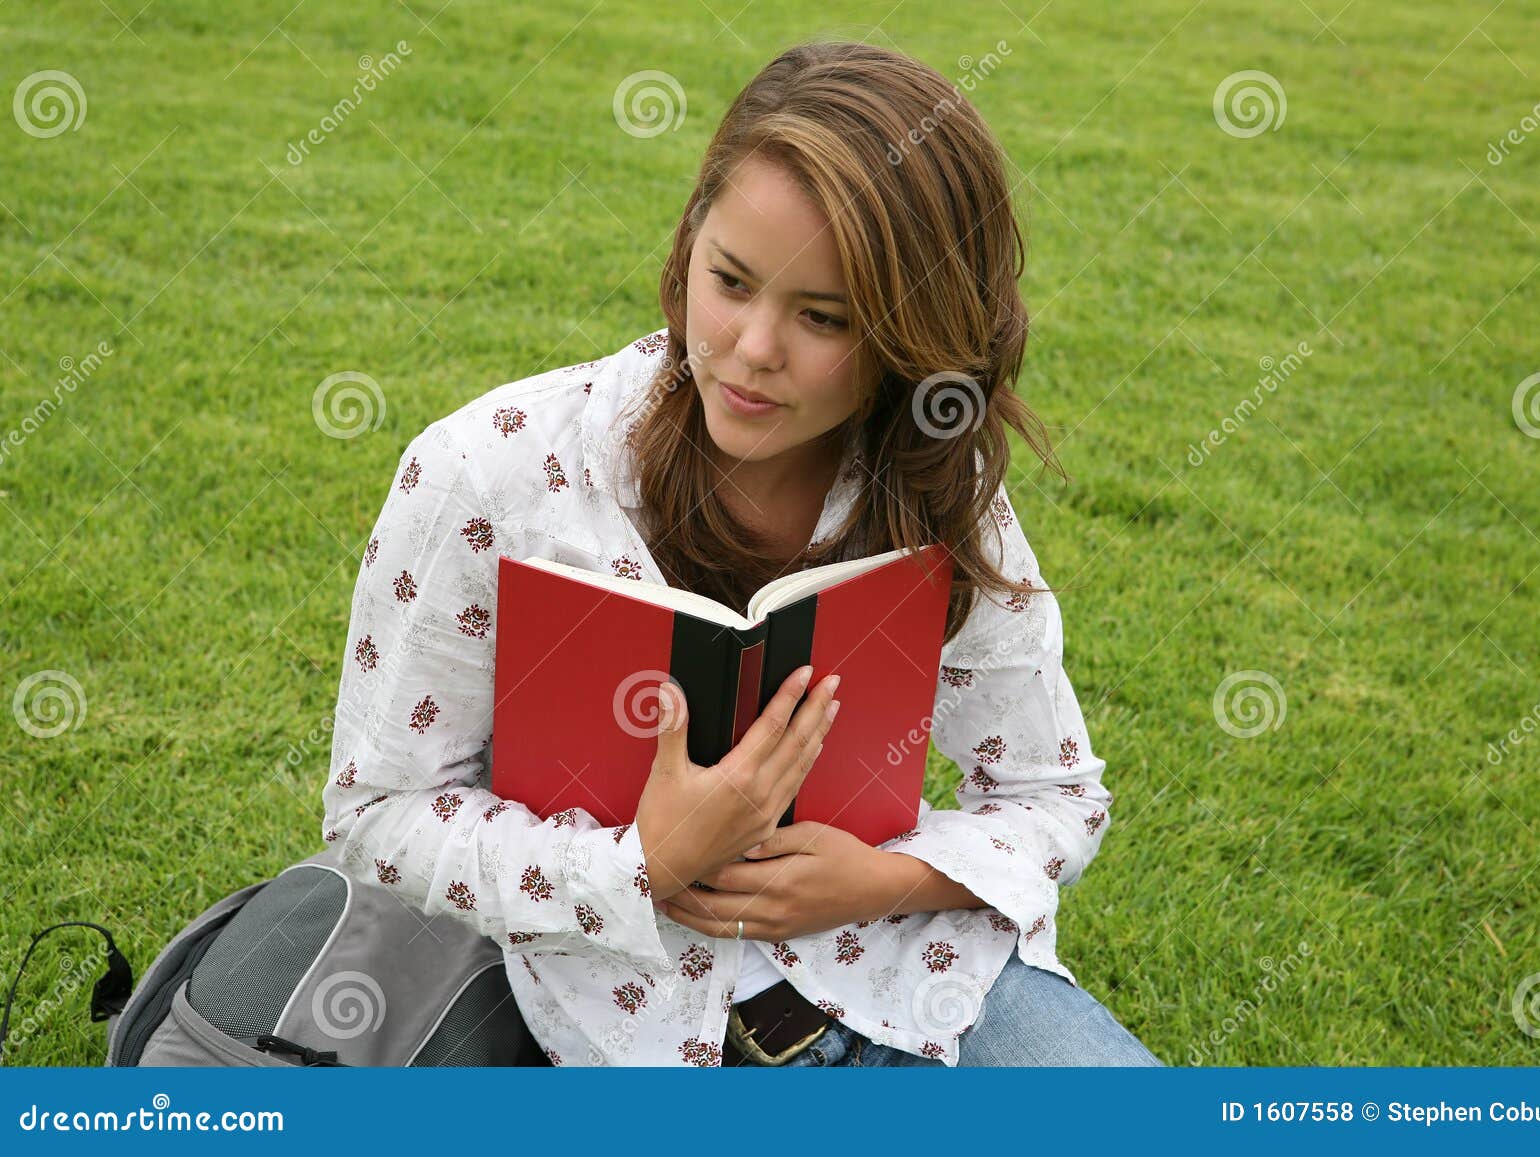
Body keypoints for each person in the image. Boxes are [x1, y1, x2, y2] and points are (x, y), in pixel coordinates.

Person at [321, 38, 1161, 1068]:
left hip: (931, 993)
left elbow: (1055, 794)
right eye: (731, 281)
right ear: (687, 244)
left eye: (825, 318)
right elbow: (377, 816)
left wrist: (880, 881)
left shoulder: (931, 489)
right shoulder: (487, 472)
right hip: (653, 1036)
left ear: (916, 338)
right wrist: (640, 861)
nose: (753, 348)